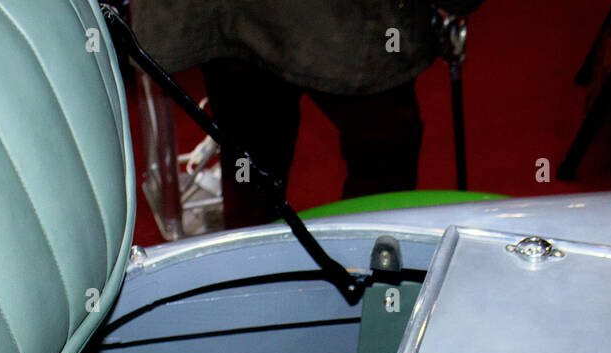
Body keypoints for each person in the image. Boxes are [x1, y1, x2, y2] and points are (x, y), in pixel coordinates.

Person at [130, 0, 438, 227]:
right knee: (383, 156)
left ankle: (251, 282)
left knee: (249, 166)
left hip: (230, 19)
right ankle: (372, 273)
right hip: (348, 25)